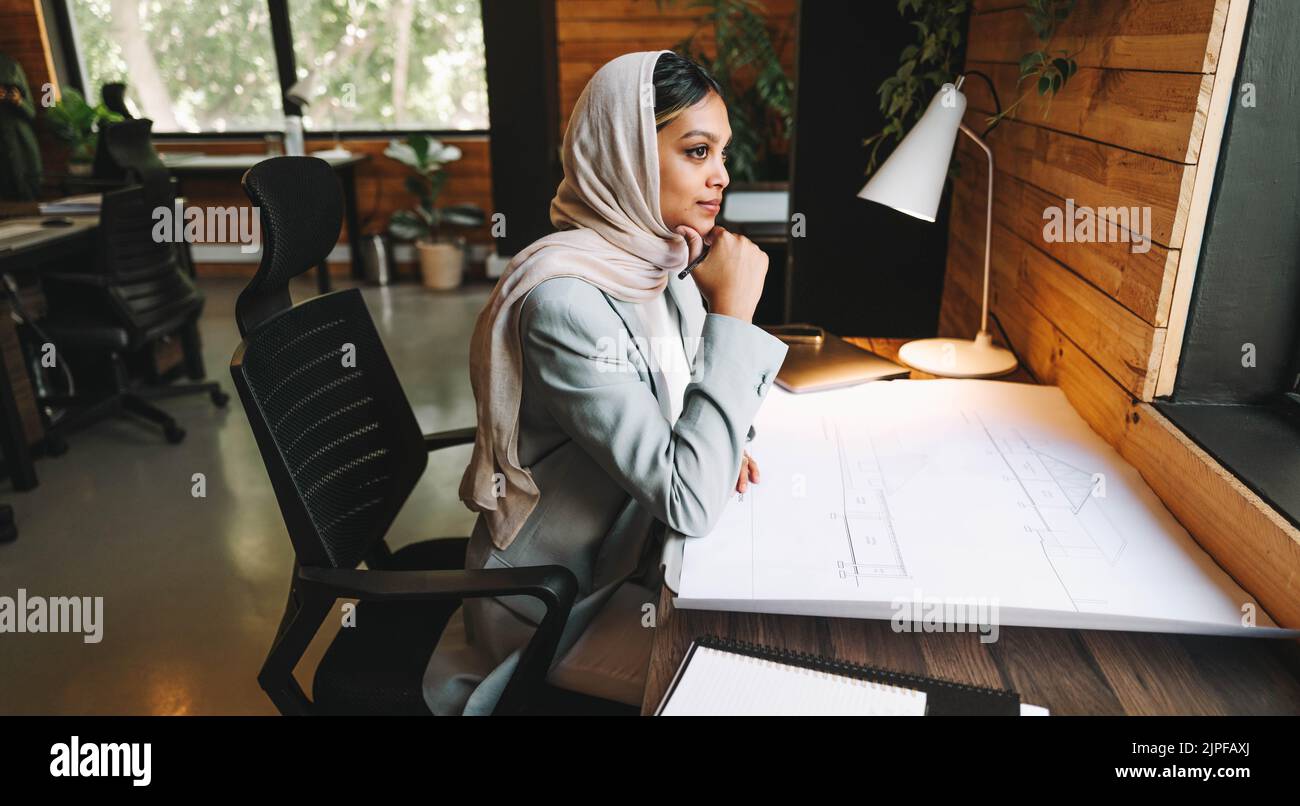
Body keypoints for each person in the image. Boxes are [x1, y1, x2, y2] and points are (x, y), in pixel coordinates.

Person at [423, 50, 788, 715]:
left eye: (722, 154)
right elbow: (686, 500)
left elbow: (682, 421)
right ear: (625, 155)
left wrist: (719, 442)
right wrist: (733, 317)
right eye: (697, 152)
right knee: (754, 686)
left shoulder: (658, 261)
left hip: (631, 562)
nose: (721, 178)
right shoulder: (567, 304)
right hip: (559, 605)